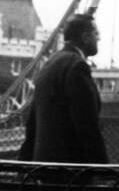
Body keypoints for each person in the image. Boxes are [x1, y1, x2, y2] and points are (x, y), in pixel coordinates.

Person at [18, 13, 109, 165]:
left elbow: (33, 122)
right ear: (86, 37)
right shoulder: (76, 66)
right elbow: (87, 125)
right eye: (96, 34)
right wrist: (104, 169)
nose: (99, 38)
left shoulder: (49, 64)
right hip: (70, 173)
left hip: (44, 168)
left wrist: (25, 163)